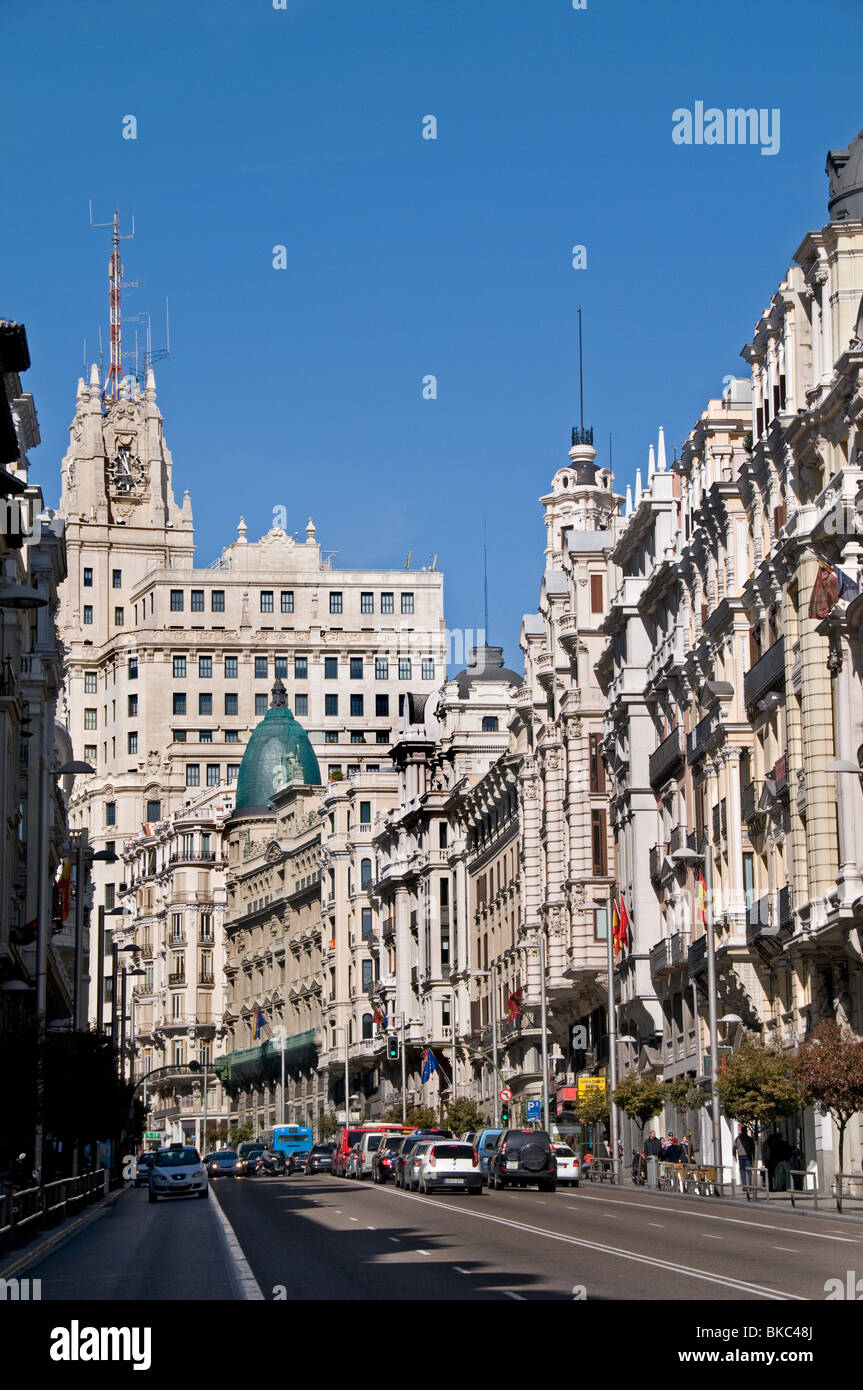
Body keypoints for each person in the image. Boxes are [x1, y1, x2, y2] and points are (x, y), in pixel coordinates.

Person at [734, 1124, 755, 1196]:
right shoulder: (749, 1139)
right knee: (749, 1171)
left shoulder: (738, 1139)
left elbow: (734, 1148)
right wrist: (754, 1157)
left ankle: (745, 1186)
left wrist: (734, 1156)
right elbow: (753, 1149)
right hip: (748, 1156)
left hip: (740, 1156)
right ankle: (750, 1185)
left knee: (742, 1171)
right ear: (746, 1131)